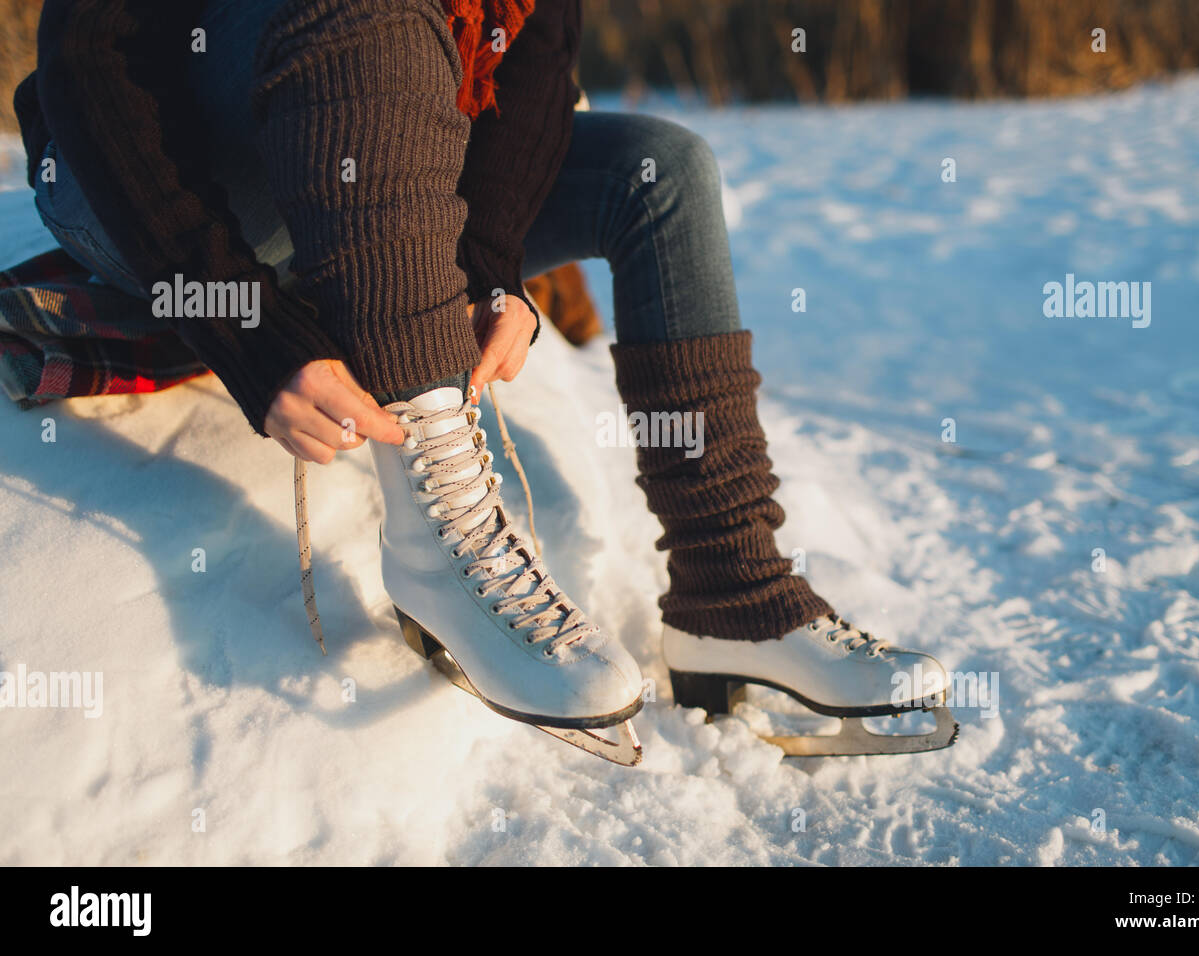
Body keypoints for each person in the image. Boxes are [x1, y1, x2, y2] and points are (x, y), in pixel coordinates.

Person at [15, 0, 954, 760]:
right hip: (154, 184)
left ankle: (733, 595)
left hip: (390, 170)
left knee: (661, 171)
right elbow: (91, 61)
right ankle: (438, 552)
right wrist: (242, 325)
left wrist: (487, 269)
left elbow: (537, 84)